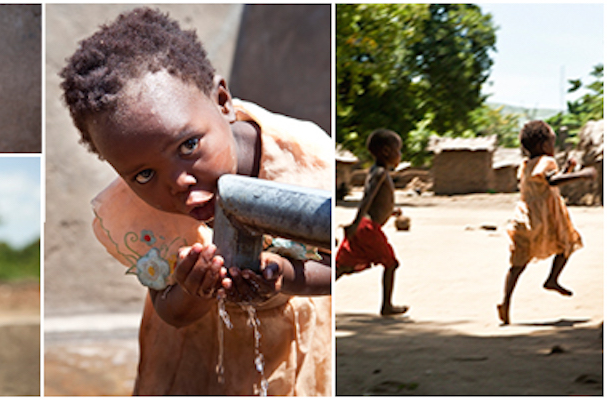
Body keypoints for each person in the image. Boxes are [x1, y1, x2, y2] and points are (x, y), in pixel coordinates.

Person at [59, 8, 332, 395]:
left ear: (222, 101)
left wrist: (286, 277)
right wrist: (192, 291)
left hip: (292, 347)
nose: (179, 181)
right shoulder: (141, 212)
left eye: (188, 145)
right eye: (143, 175)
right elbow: (169, 309)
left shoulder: (305, 160)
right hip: (195, 357)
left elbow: (335, 265)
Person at [497, 120, 596, 325]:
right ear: (543, 145)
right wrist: (581, 175)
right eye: (552, 142)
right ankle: (552, 279)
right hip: (547, 218)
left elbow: (549, 182)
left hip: (526, 218)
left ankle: (505, 302)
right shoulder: (546, 161)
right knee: (567, 243)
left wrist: (567, 169)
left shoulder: (525, 165)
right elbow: (552, 182)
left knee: (517, 263)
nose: (553, 147)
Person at [335, 128, 408, 317]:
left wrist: (390, 211)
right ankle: (387, 306)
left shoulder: (378, 172)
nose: (400, 155)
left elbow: (376, 201)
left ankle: (315, 289)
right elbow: (367, 199)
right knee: (391, 264)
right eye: (397, 150)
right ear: (386, 151)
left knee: (345, 265)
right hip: (367, 227)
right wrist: (355, 222)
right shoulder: (380, 172)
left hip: (365, 226)